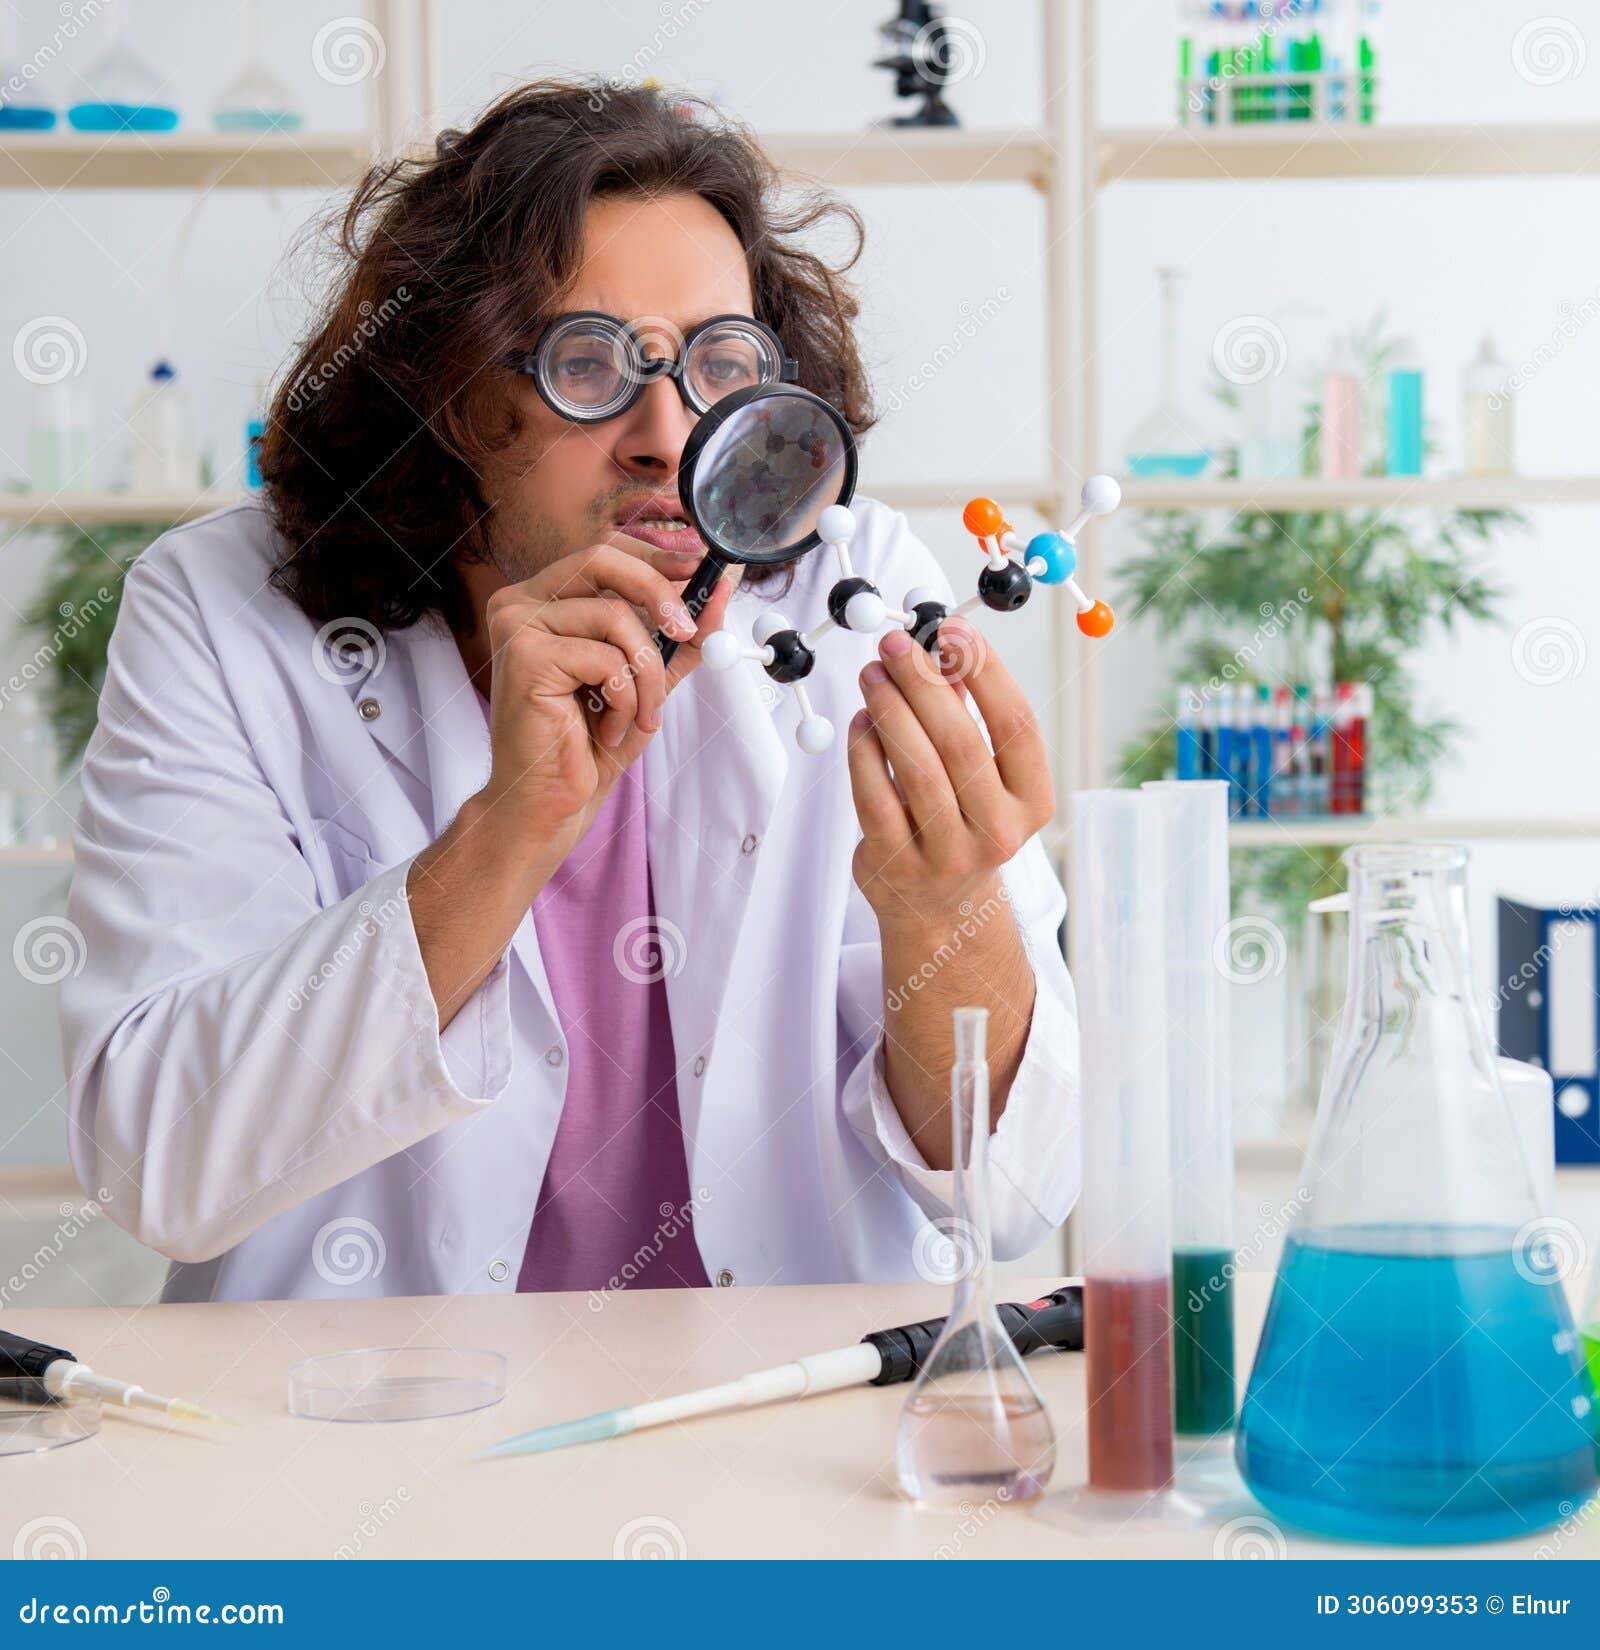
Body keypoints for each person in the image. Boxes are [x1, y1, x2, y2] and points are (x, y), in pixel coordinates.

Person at [61, 81, 1079, 1303]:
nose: (670, 434)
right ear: (457, 394)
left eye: (720, 363)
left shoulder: (849, 589)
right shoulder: (226, 611)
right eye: (589, 363)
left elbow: (1013, 1187)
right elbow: (164, 1168)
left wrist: (943, 907)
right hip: (364, 1430)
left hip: (782, 1416)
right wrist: (506, 835)